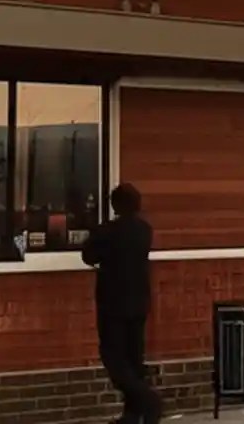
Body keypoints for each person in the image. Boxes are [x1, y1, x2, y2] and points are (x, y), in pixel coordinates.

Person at [81, 182, 162, 424]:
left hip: (113, 304)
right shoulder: (144, 230)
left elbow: (88, 256)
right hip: (139, 302)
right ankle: (132, 414)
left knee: (114, 357)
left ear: (115, 205)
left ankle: (148, 400)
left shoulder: (107, 231)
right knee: (133, 357)